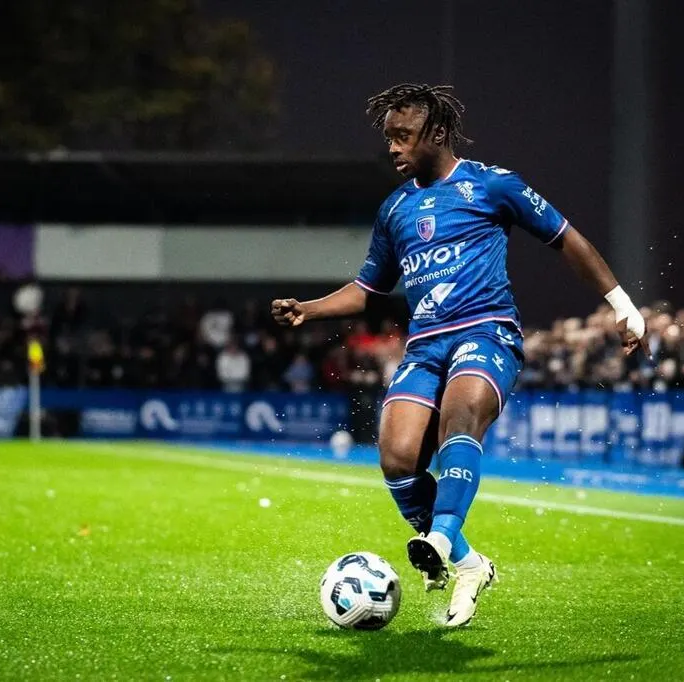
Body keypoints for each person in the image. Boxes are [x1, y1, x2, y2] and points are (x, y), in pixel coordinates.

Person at [270, 83, 648, 628]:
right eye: (389, 139)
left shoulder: (493, 185)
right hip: (425, 345)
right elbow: (368, 289)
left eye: (403, 137)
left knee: (460, 415)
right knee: (398, 458)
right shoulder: (395, 210)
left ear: (438, 133)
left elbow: (567, 238)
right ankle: (469, 563)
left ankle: (442, 539)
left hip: (487, 331)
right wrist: (310, 308)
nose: (393, 149)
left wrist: (620, 304)